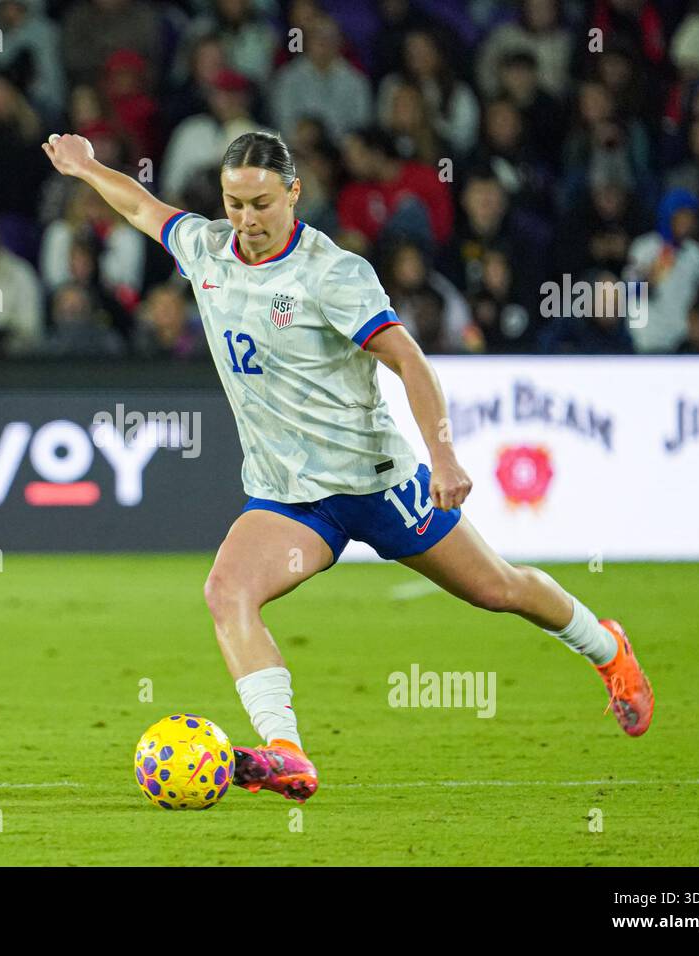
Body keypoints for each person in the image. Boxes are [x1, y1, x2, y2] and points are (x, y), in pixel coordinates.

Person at [41, 129, 655, 803]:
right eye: (234, 202)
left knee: (499, 590)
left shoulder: (332, 275)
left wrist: (443, 456)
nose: (246, 220)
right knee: (226, 591)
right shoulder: (208, 249)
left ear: (294, 193)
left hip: (378, 484)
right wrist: (89, 168)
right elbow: (142, 209)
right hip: (291, 499)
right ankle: (286, 752)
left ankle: (607, 648)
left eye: (261, 204)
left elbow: (408, 360)